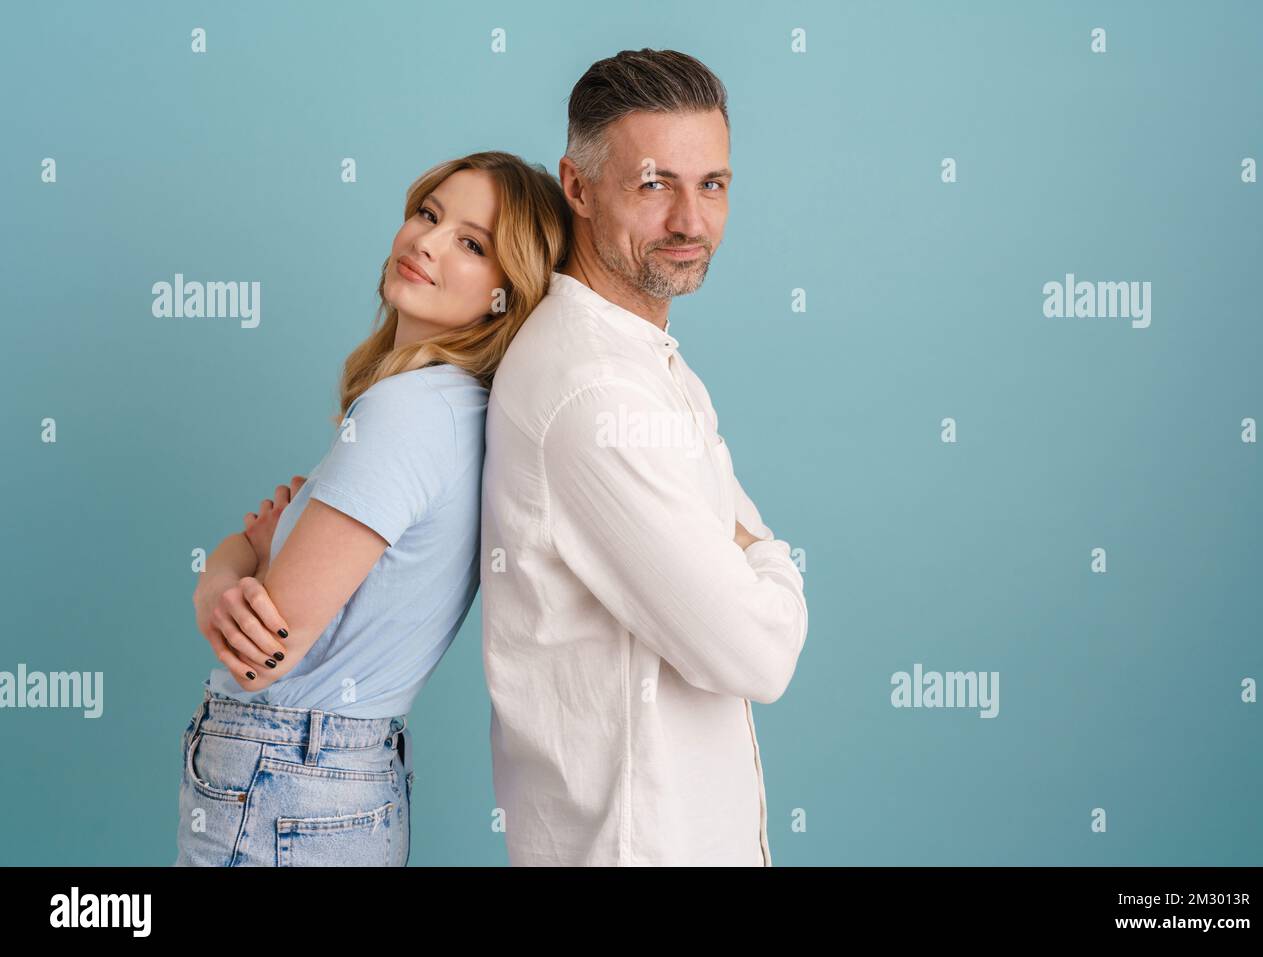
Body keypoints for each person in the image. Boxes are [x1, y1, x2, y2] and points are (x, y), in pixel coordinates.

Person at [175, 152, 569, 866]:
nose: (427, 241)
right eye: (429, 213)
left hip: (284, 770)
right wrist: (259, 562)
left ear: (505, 296)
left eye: (472, 244)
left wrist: (227, 566)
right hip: (336, 779)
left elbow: (262, 652)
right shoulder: (460, 409)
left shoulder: (406, 413)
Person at [481, 50, 809, 866]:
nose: (690, 222)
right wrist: (766, 557)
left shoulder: (645, 361)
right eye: (656, 184)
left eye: (713, 185)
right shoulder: (595, 393)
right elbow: (756, 654)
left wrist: (743, 555)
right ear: (580, 186)